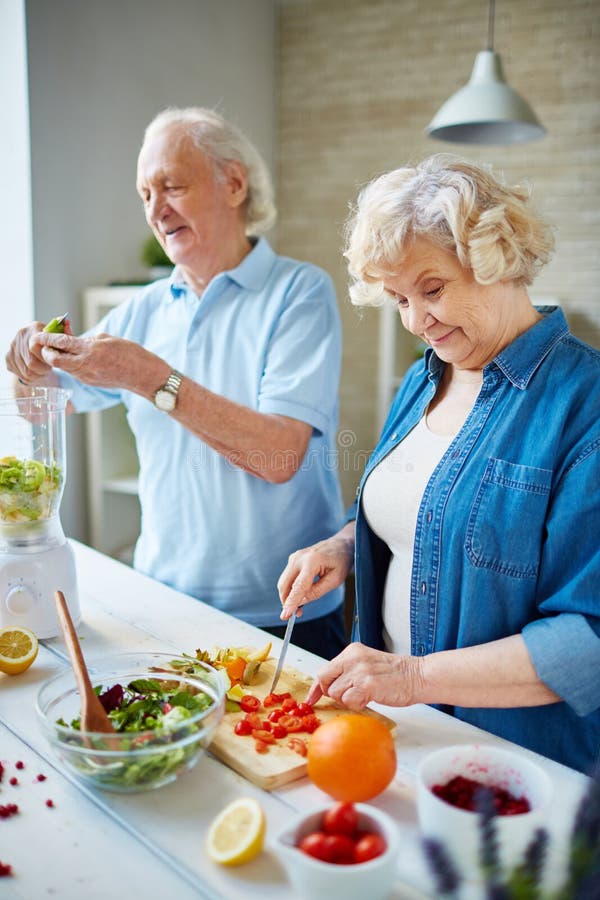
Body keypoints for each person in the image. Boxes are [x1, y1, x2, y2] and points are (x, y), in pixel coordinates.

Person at [277, 154, 600, 773]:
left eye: (433, 288)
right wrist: (345, 546)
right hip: (398, 731)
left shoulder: (582, 405)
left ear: (498, 257)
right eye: (398, 298)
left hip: (511, 761)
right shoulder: (423, 379)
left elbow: (587, 641)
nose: (416, 322)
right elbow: (421, 512)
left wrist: (411, 676)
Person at [6, 106, 346, 659]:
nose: (156, 210)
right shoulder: (140, 311)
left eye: (171, 186)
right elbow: (40, 408)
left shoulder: (299, 292)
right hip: (165, 604)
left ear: (234, 184)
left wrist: (148, 376)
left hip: (286, 612)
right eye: (145, 195)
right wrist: (29, 367)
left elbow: (279, 455)